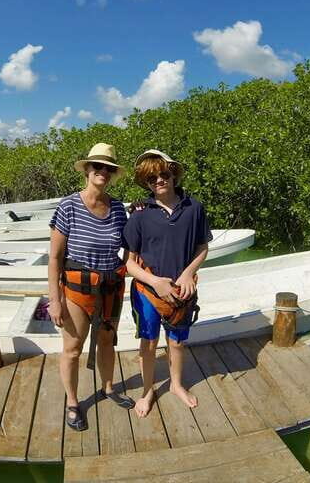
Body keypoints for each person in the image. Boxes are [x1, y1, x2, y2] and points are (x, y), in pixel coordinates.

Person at [47, 142, 135, 432]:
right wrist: (55, 300)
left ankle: (108, 388)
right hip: (76, 289)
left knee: (108, 342)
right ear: (87, 169)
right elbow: (55, 257)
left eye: (108, 168)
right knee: (73, 348)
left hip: (109, 288)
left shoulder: (119, 209)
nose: (103, 172)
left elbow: (128, 247)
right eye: (97, 166)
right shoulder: (69, 206)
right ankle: (73, 402)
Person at [123, 150, 212, 418]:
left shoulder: (194, 208)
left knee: (177, 343)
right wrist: (155, 282)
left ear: (173, 174)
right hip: (148, 291)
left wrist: (188, 274)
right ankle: (147, 391)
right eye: (152, 178)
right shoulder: (139, 214)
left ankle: (176, 385)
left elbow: (202, 247)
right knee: (148, 344)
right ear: (146, 183)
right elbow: (129, 263)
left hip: (182, 290)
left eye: (164, 174)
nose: (159, 180)